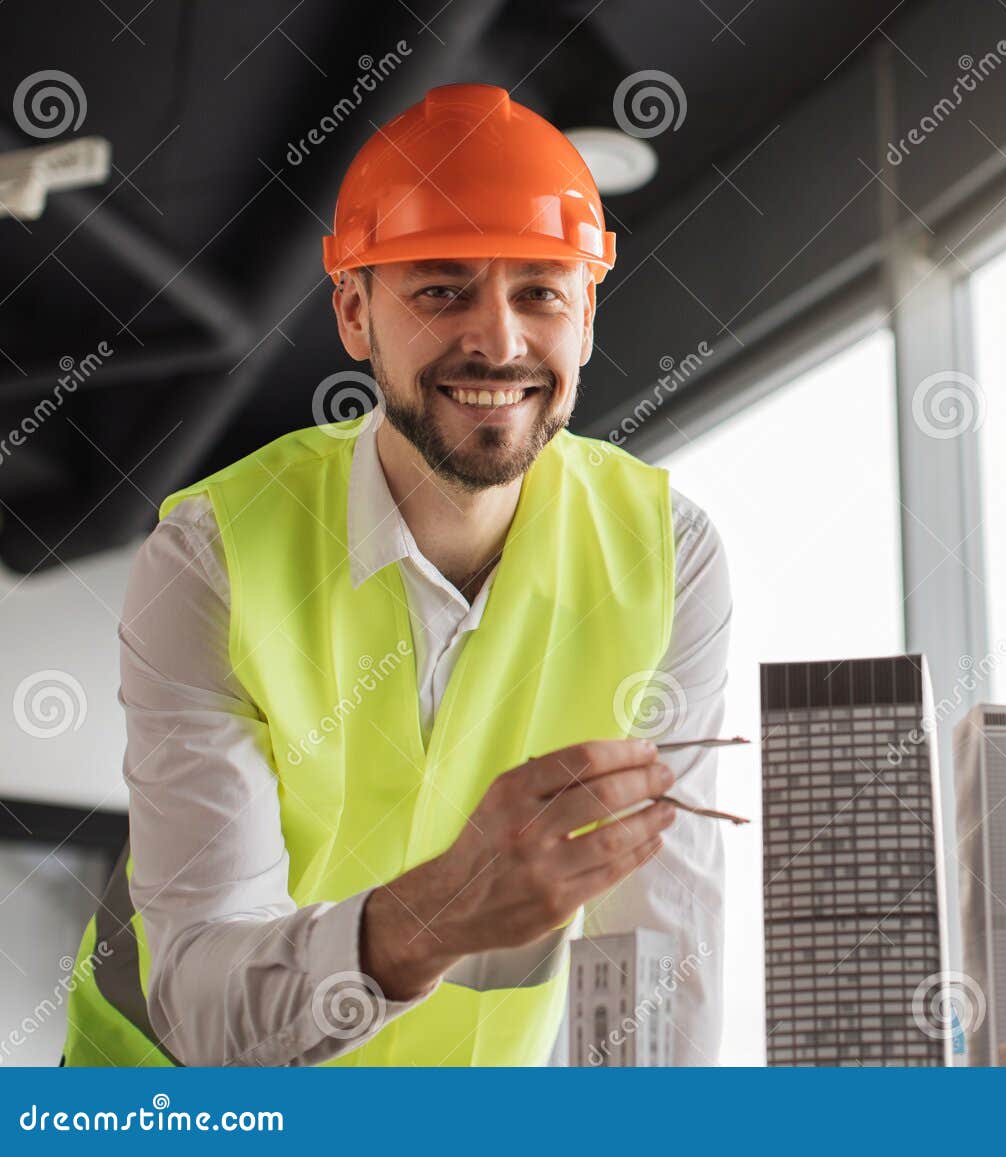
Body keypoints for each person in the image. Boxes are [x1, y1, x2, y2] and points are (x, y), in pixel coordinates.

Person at [61, 83, 730, 1067]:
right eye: (440, 288)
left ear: (585, 318)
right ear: (354, 312)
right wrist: (433, 915)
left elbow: (658, 935)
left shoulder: (668, 552)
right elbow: (204, 1009)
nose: (498, 340)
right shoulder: (210, 555)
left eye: (540, 289)